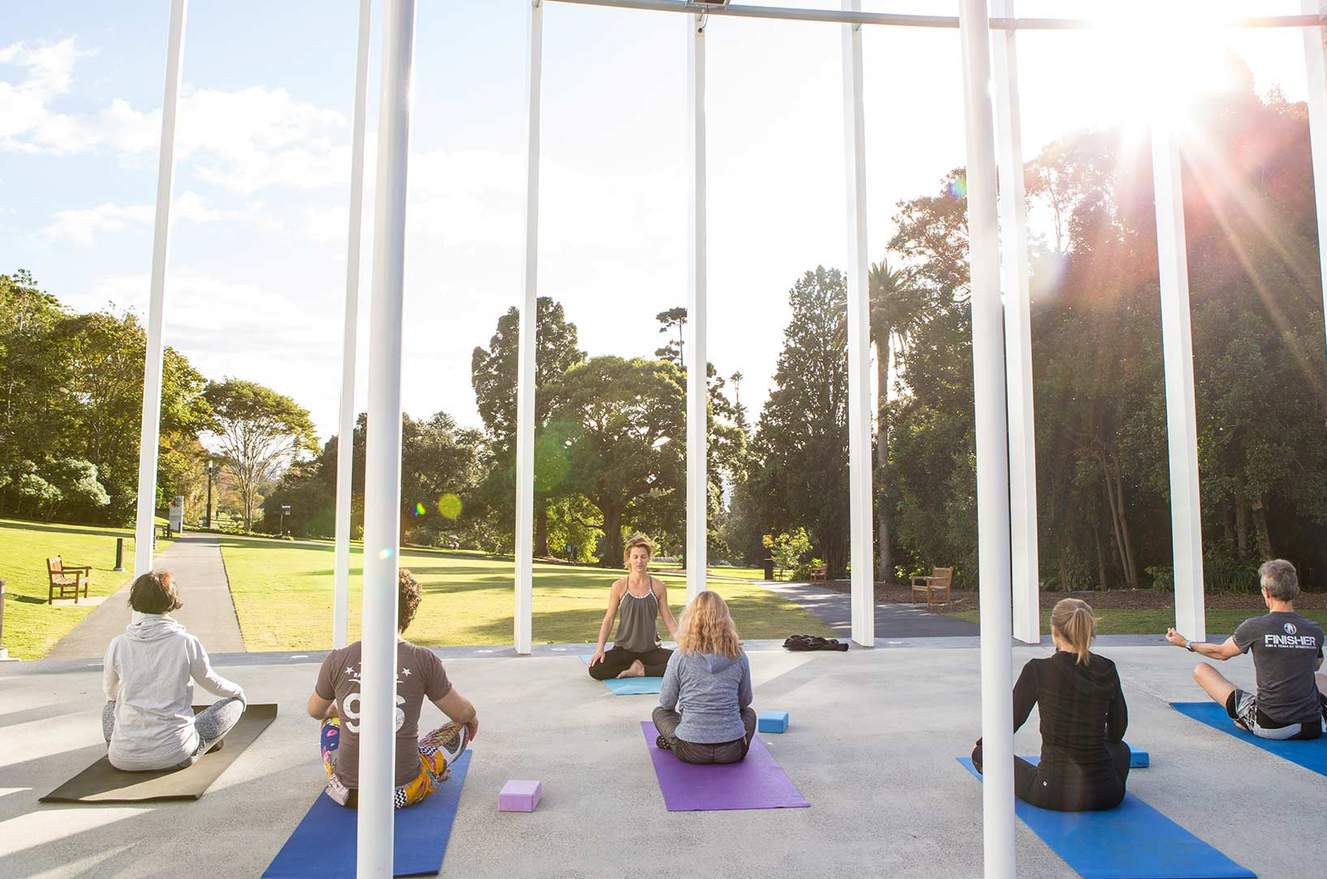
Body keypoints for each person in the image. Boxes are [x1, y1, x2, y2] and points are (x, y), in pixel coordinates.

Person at [307, 568, 478, 809]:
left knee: (331, 721)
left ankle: (349, 772)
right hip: (402, 791)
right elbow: (462, 713)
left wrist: (338, 712)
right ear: (410, 612)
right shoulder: (423, 659)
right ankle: (428, 772)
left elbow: (315, 710)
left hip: (346, 793)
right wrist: (471, 717)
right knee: (459, 728)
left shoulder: (338, 658)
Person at [972, 598, 1130, 812]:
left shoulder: (1038, 670)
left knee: (982, 755)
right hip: (1107, 793)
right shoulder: (1107, 668)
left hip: (1053, 793)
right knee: (1121, 750)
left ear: (1055, 631)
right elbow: (1117, 731)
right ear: (1090, 630)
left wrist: (985, 744)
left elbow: (1008, 723)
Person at [1167, 558, 1327, 740]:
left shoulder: (1255, 626)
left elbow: (1221, 653)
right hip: (1312, 727)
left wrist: (1185, 643)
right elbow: (1315, 665)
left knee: (1201, 670)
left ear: (1266, 592)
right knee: (1320, 679)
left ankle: (1245, 718)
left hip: (1272, 727)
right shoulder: (1314, 630)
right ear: (1295, 590)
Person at [102, 571, 247, 771]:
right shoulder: (186, 642)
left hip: (121, 759)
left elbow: (110, 693)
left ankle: (134, 744)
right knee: (235, 704)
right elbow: (211, 682)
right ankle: (201, 741)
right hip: (175, 755)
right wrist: (238, 691)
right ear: (171, 600)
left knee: (110, 707)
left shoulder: (117, 644)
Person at [652, 590, 757, 765]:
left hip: (690, 749)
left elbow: (666, 702)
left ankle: (673, 740)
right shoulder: (738, 655)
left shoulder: (680, 656)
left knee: (659, 713)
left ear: (691, 619)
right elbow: (745, 702)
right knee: (750, 714)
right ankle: (683, 735)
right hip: (733, 750)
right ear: (726, 620)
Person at [588, 534, 679, 680]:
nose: (639, 561)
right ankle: (634, 666)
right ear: (628, 559)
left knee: (682, 662)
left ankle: (641, 671)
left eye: (643, 557)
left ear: (649, 558)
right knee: (595, 669)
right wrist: (600, 649)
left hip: (651, 651)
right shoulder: (618, 586)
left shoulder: (658, 586)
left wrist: (684, 644)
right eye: (635, 557)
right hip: (624, 651)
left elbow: (668, 619)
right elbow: (609, 619)